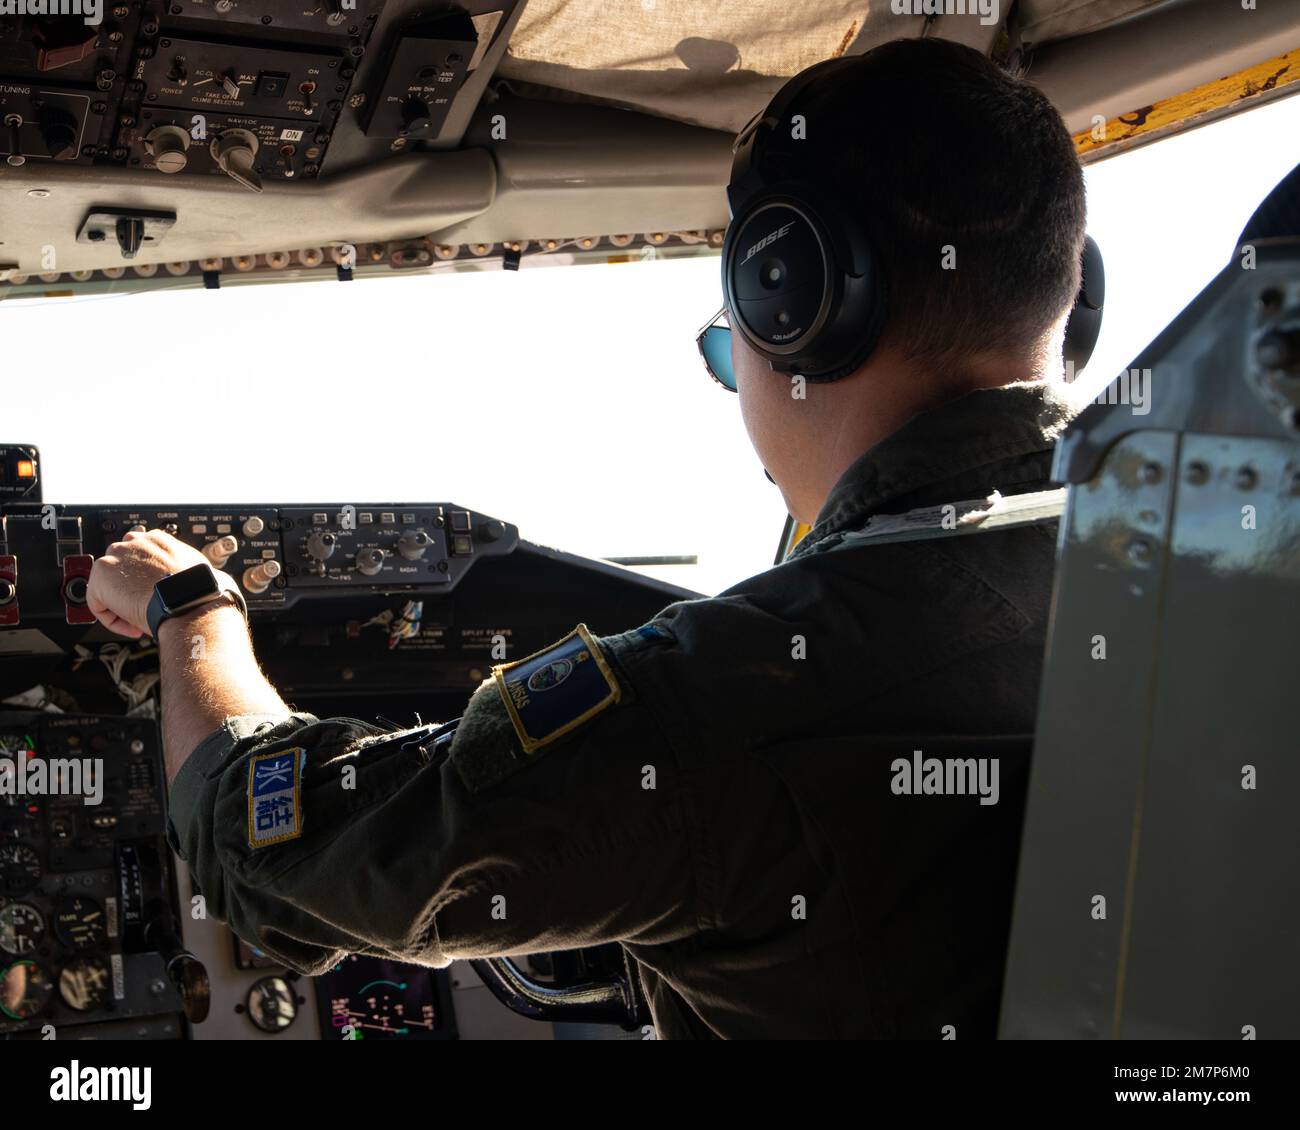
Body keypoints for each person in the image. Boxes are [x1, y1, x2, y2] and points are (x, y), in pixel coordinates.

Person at [87, 37, 1087, 1039]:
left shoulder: (738, 696)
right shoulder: (1160, 572)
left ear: (786, 295)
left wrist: (192, 611)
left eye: (727, 335)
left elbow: (287, 853)